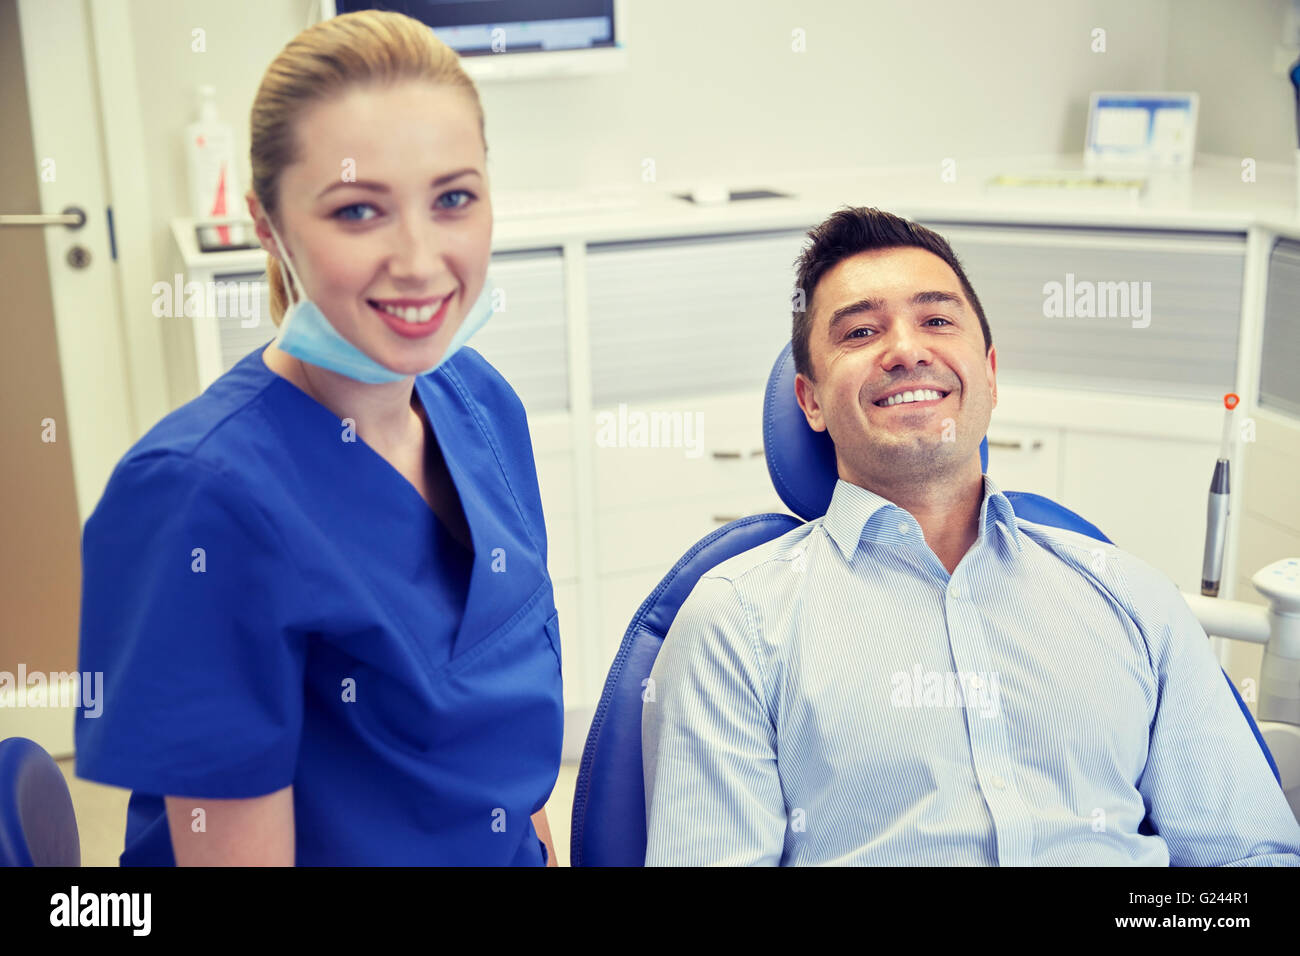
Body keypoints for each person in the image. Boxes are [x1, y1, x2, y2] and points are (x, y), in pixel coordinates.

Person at [641, 206, 1300, 866]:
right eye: (862, 331)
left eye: (936, 320)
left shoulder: (1133, 599)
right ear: (809, 400)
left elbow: (1247, 858)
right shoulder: (735, 625)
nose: (906, 350)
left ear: (988, 372)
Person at [75, 10, 562, 866]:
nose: (418, 259)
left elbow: (507, 779)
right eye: (358, 211)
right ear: (269, 227)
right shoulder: (199, 496)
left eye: (453, 199)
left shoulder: (481, 403)